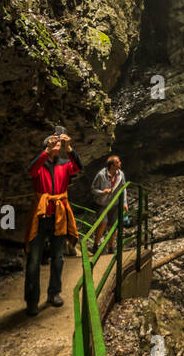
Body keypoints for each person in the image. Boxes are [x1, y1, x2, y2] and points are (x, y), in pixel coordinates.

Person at [23, 130, 83, 315]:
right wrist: (45, 152)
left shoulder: (65, 164)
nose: (56, 144)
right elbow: (31, 171)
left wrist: (69, 148)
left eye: (57, 143)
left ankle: (54, 293)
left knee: (58, 258)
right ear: (47, 146)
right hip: (41, 217)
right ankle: (32, 301)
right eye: (52, 143)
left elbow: (78, 168)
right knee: (33, 260)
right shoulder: (40, 164)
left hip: (59, 216)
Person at [90, 155, 129, 254]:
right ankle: (95, 245)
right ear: (112, 165)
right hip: (102, 203)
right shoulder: (101, 175)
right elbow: (93, 189)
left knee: (112, 226)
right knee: (103, 223)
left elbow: (123, 189)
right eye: (117, 162)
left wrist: (124, 202)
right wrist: (102, 192)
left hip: (115, 204)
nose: (120, 163)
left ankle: (111, 247)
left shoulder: (121, 174)